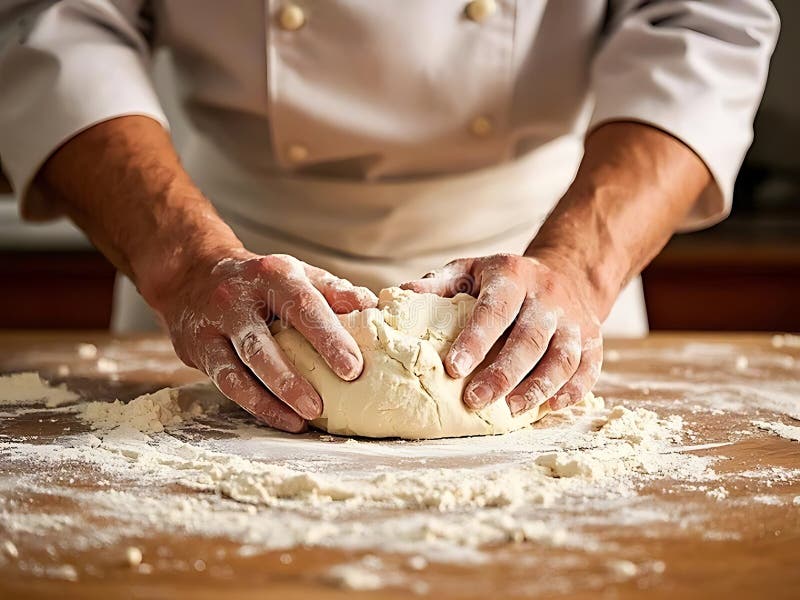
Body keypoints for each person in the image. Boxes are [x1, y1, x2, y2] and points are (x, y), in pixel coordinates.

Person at [0, 1, 778, 432]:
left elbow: (702, 27)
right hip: (223, 255)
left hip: (545, 254)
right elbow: (55, 24)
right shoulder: (200, 264)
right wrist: (186, 263)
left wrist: (578, 267)